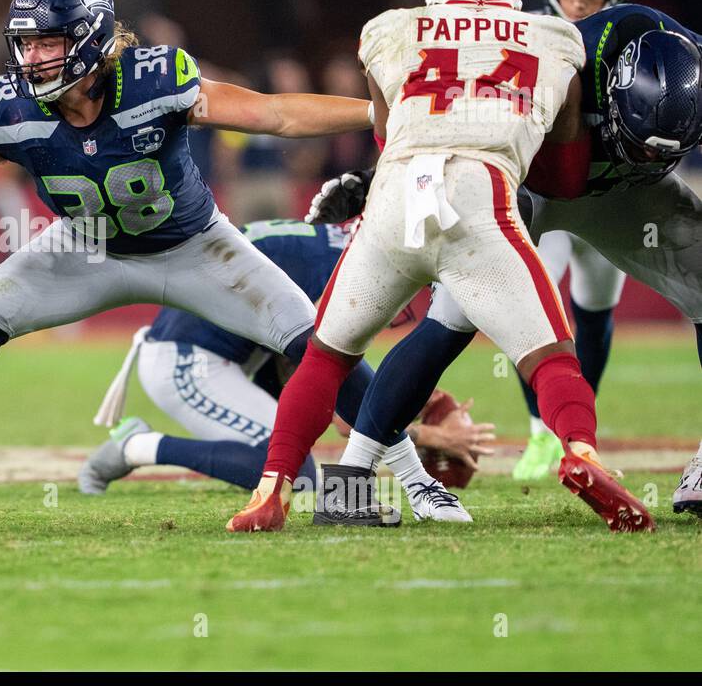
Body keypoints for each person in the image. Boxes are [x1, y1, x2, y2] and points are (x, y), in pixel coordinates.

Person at [0, 0, 376, 525]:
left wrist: (375, 113)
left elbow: (275, 114)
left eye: (47, 41)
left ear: (90, 39)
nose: (31, 58)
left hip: (195, 245)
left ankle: (414, 482)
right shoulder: (11, 108)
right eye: (24, 43)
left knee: (317, 345)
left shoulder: (156, 79)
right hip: (87, 244)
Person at [227, 0, 654, 535]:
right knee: (553, 358)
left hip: (399, 194)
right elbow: (562, 177)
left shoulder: (390, 30)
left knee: (325, 355)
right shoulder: (557, 39)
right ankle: (581, 452)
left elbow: (382, 130)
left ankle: (272, 489)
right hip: (480, 198)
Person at [309, 2, 702, 519]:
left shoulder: (687, 70)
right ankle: (354, 474)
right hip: (523, 188)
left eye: (665, 152)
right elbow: (449, 110)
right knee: (450, 319)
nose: (650, 154)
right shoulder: (564, 52)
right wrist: (379, 177)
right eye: (638, 142)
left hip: (625, 195)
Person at [79, 217, 492, 522]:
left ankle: (355, 494)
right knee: (300, 474)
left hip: (238, 356)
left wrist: (409, 406)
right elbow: (343, 404)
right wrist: (428, 435)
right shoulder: (351, 268)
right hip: (189, 359)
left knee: (298, 449)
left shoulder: (331, 245)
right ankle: (138, 446)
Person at [506, 0, 636, 479]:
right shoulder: (527, 33)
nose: (579, 3)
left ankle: (582, 427)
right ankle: (540, 432)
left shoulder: (634, 35)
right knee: (529, 310)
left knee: (595, 308)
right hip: (545, 197)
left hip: (609, 195)